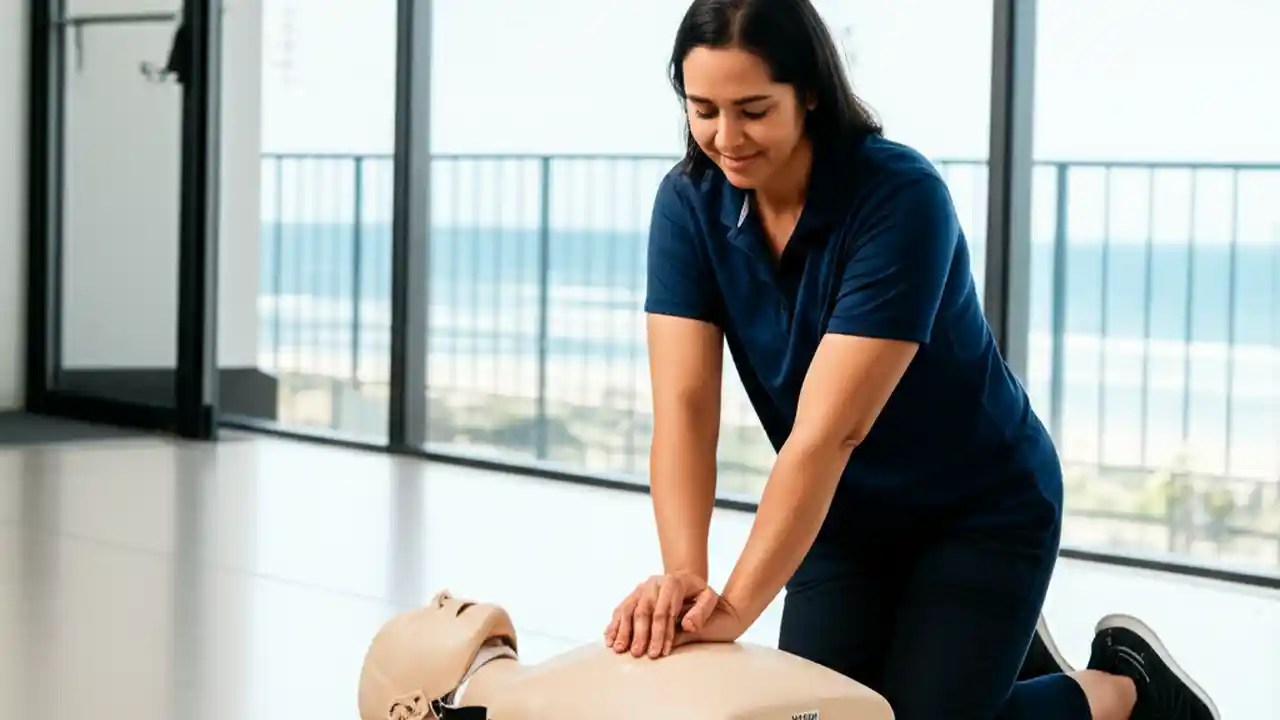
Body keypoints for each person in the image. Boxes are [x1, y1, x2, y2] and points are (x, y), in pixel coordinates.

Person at [602, 2, 1220, 719]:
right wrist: (685, 575)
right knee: (822, 713)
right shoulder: (689, 203)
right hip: (840, 516)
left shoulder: (899, 198)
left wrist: (736, 607)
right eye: (703, 109)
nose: (726, 138)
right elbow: (684, 409)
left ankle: (1124, 688)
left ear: (809, 92)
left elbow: (829, 434)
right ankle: (1007, 665)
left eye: (753, 110)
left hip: (978, 508)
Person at [358, 589, 893, 719]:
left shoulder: (565, 681)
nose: (443, 596)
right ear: (407, 711)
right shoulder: (534, 702)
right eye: (422, 614)